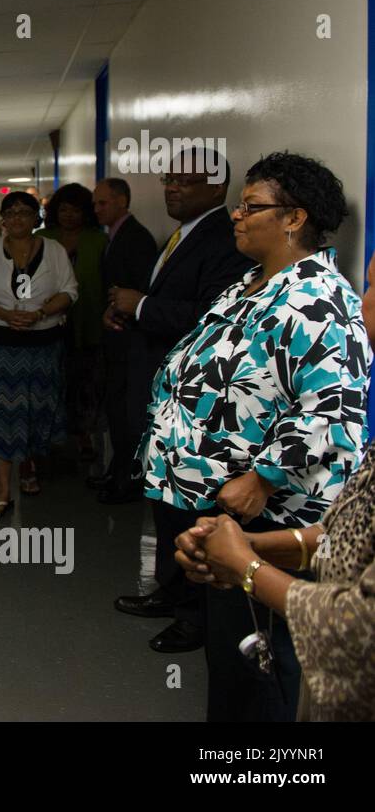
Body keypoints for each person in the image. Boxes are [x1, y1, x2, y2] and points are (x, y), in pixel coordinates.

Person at [136, 151, 369, 721]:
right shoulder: (250, 283)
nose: (236, 215)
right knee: (232, 663)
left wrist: (261, 479)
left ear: (294, 218)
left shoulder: (316, 298)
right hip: (222, 507)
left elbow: (331, 409)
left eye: (251, 206)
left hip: (271, 512)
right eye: (239, 203)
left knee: (262, 670)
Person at [175, 255, 375, 720]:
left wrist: (245, 567)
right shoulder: (245, 284)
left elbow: (358, 628)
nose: (360, 305)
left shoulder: (323, 302)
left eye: (369, 287)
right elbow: (350, 541)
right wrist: (253, 546)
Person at [109, 148, 254, 655]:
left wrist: (141, 304)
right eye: (170, 179)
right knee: (165, 503)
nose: (173, 188)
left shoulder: (225, 240)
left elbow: (210, 318)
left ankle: (194, 619)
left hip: (192, 398)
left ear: (218, 188)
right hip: (161, 386)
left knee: (186, 509)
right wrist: (130, 314)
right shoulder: (180, 233)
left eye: (186, 182)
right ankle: (169, 593)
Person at [0, 190, 78, 516]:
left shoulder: (54, 250)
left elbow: (70, 290)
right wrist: (5, 315)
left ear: (35, 218)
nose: (17, 218)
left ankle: (28, 466)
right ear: (2, 219)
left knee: (35, 411)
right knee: (2, 413)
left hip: (43, 344)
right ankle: (3, 489)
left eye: (24, 212)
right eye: (10, 212)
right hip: (0, 346)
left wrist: (40, 314)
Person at [91, 177, 158, 502]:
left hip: (129, 338)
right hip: (117, 337)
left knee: (126, 414)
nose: (97, 209)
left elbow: (138, 288)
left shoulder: (137, 239)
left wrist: (119, 313)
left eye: (102, 203)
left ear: (121, 201)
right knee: (116, 410)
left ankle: (126, 480)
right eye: (95, 203)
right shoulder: (115, 236)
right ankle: (117, 472)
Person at [37, 183, 108, 462]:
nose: (68, 215)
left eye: (75, 210)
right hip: (47, 319)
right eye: (63, 210)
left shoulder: (98, 240)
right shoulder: (43, 238)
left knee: (84, 380)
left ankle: (83, 434)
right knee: (50, 379)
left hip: (87, 320)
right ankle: (49, 432)